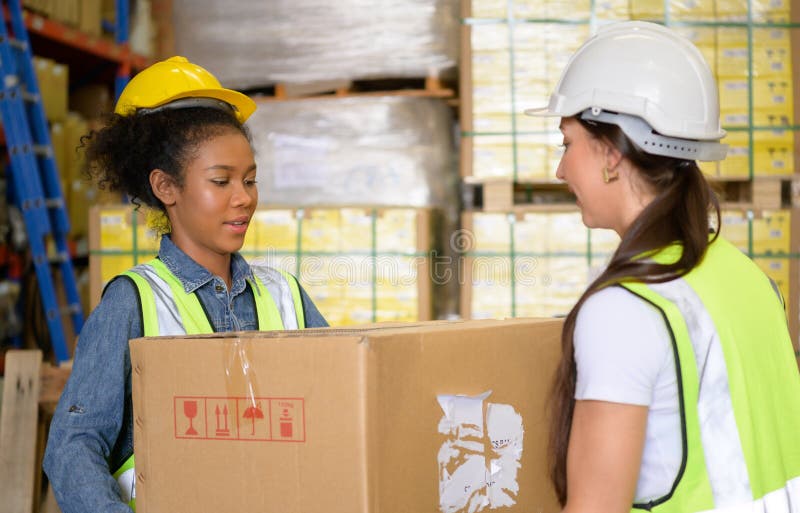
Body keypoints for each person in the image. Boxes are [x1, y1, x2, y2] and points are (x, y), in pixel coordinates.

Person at [525, 21, 800, 512]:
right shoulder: (749, 279)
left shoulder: (625, 310)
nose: (560, 170)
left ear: (611, 153)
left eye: (567, 143)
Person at [43, 56, 328, 513]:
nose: (244, 198)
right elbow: (73, 444)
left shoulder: (285, 294)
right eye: (221, 181)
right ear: (165, 187)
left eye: (250, 180)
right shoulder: (133, 302)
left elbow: (338, 406)